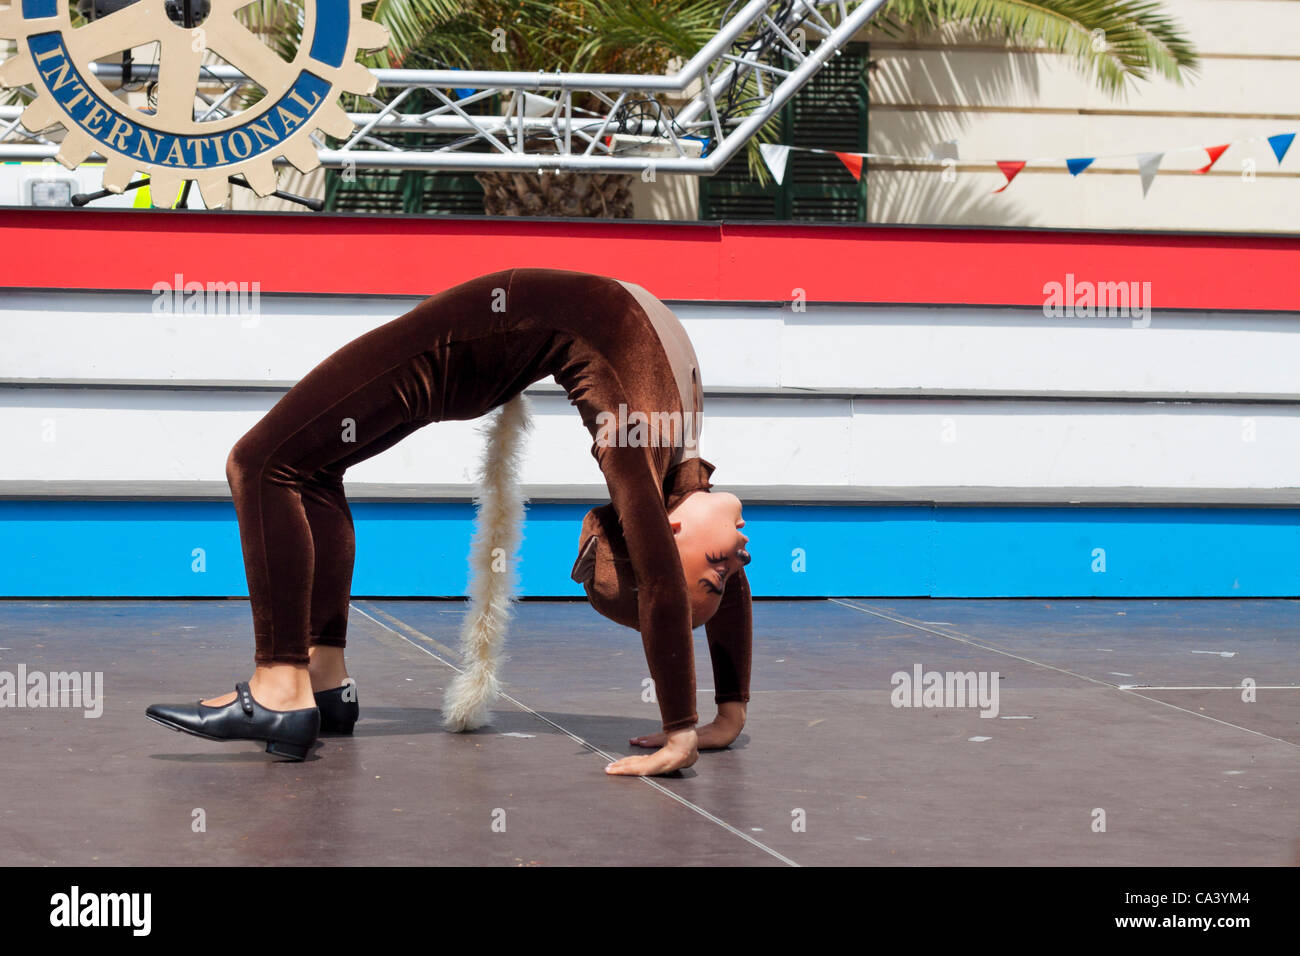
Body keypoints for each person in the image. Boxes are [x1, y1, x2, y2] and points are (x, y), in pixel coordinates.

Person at [145, 267, 753, 775]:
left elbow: (665, 581)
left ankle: (283, 684)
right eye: (725, 572)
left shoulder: (641, 453)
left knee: (261, 464)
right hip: (471, 352)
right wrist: (727, 713)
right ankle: (322, 683)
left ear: (672, 533)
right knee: (300, 467)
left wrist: (681, 732)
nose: (736, 560)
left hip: (453, 360)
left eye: (715, 572)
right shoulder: (680, 469)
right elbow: (688, 581)